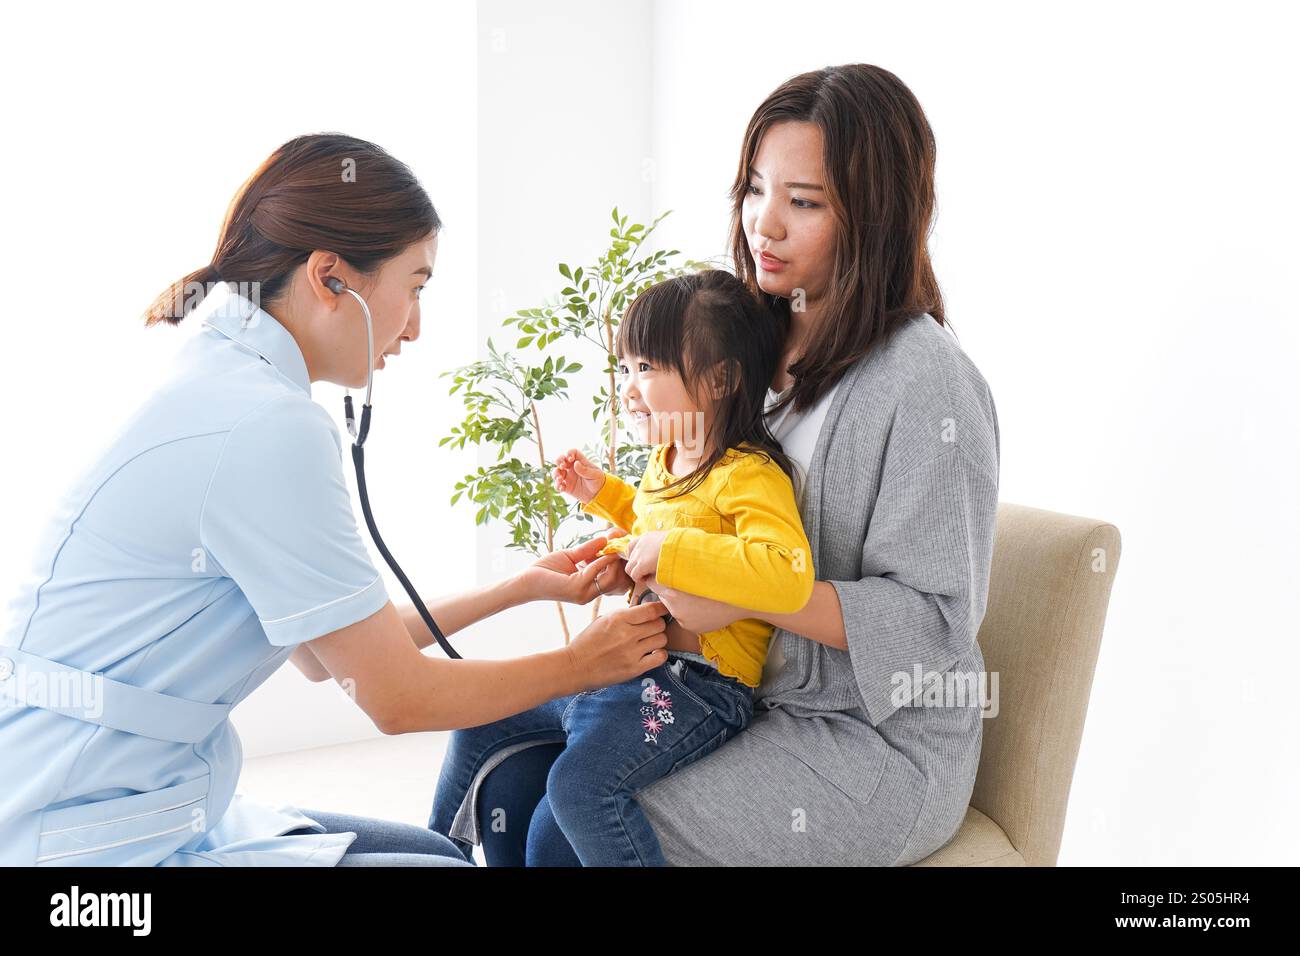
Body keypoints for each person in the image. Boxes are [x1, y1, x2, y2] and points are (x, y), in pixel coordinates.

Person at [0, 133, 662, 866]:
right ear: (331, 278)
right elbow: (395, 698)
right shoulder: (262, 426)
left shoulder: (229, 379)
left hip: (126, 797)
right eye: (413, 287)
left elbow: (328, 659)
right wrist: (585, 665)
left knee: (433, 853)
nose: (415, 326)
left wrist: (518, 589)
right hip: (77, 839)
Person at [444, 63, 1001, 867]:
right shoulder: (746, 345)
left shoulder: (926, 383)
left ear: (876, 217)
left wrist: (734, 583)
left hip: (867, 744)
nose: (762, 226)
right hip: (730, 691)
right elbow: (692, 510)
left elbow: (935, 628)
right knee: (507, 769)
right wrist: (641, 559)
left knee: (562, 826)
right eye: (754, 189)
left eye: (803, 202)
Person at [430, 270, 814, 865]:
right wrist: (604, 497)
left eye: (648, 369)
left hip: (695, 689)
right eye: (627, 368)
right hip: (627, 667)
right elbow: (649, 516)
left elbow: (784, 571)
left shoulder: (750, 474)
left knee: (578, 787)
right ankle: (432, 856)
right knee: (480, 720)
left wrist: (669, 553)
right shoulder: (666, 461)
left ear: (720, 380)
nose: (628, 389)